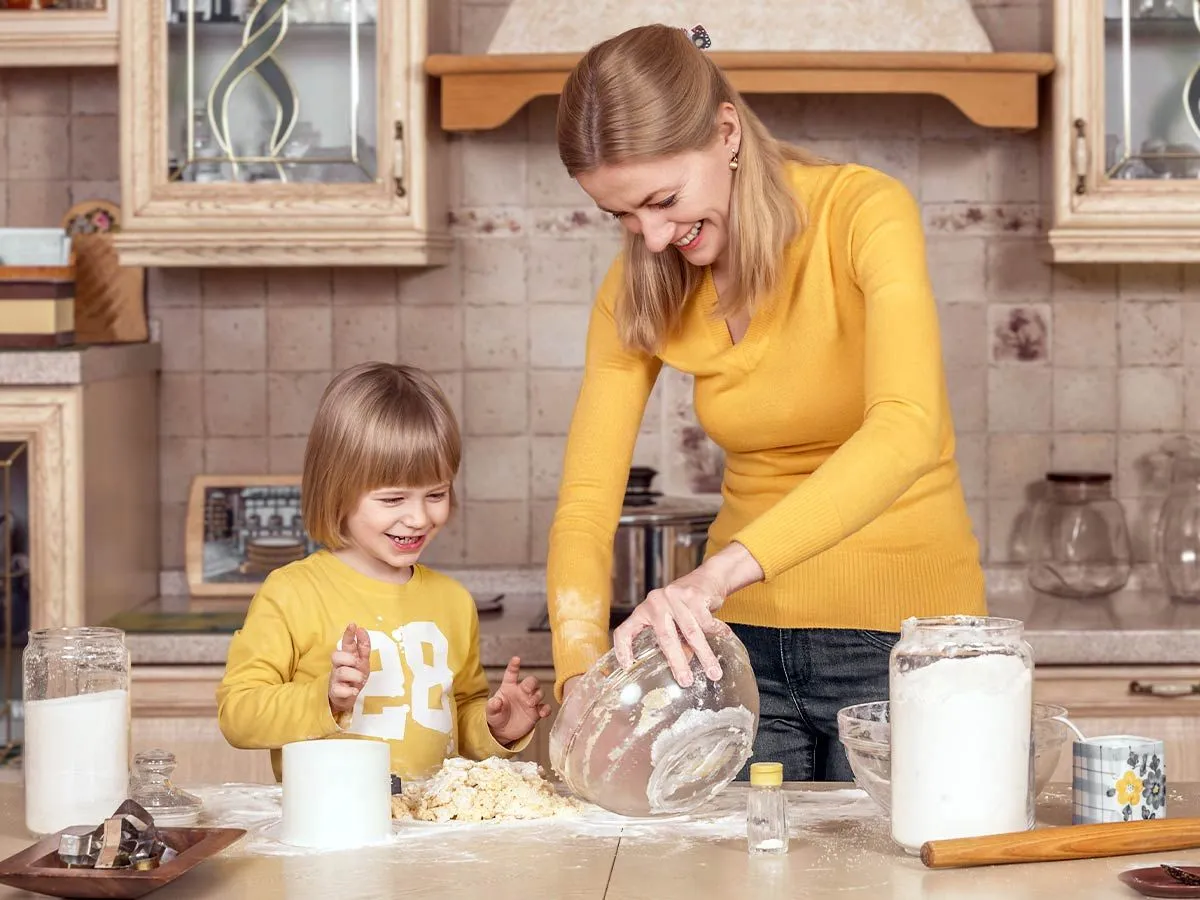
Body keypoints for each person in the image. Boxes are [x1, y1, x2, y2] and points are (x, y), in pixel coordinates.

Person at [545, 24, 986, 782]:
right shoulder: (640, 288)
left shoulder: (863, 213)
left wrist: (714, 576)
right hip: (740, 649)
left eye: (662, 199)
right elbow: (587, 504)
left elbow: (906, 429)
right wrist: (580, 677)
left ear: (726, 132)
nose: (650, 238)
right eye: (621, 216)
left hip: (903, 642)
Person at [217, 362, 551, 780]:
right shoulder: (292, 593)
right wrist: (325, 699)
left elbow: (457, 717)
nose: (417, 517)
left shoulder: (452, 601)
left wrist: (495, 728)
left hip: (427, 832)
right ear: (337, 492)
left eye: (436, 494)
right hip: (330, 830)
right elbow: (239, 715)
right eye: (393, 500)